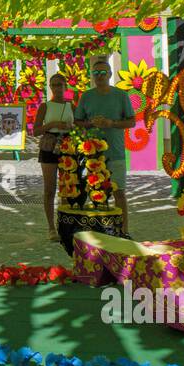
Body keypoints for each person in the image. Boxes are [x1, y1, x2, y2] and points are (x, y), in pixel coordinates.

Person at [74, 55, 137, 235]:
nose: (99, 75)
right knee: (97, 192)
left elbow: (131, 122)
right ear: (92, 76)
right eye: (96, 72)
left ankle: (124, 230)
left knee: (119, 192)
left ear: (109, 74)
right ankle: (102, 229)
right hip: (94, 154)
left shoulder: (121, 95)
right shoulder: (86, 97)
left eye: (103, 72)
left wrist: (112, 123)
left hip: (116, 152)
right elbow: (78, 121)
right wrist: (91, 123)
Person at [33, 72, 76, 243]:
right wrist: (52, 125)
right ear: (50, 87)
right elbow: (35, 131)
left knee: (67, 189)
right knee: (49, 189)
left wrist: (72, 128)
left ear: (65, 86)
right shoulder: (45, 106)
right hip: (49, 146)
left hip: (67, 146)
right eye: (54, 85)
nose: (58, 88)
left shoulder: (71, 105)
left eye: (61, 84)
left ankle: (64, 226)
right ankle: (51, 227)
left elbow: (80, 124)